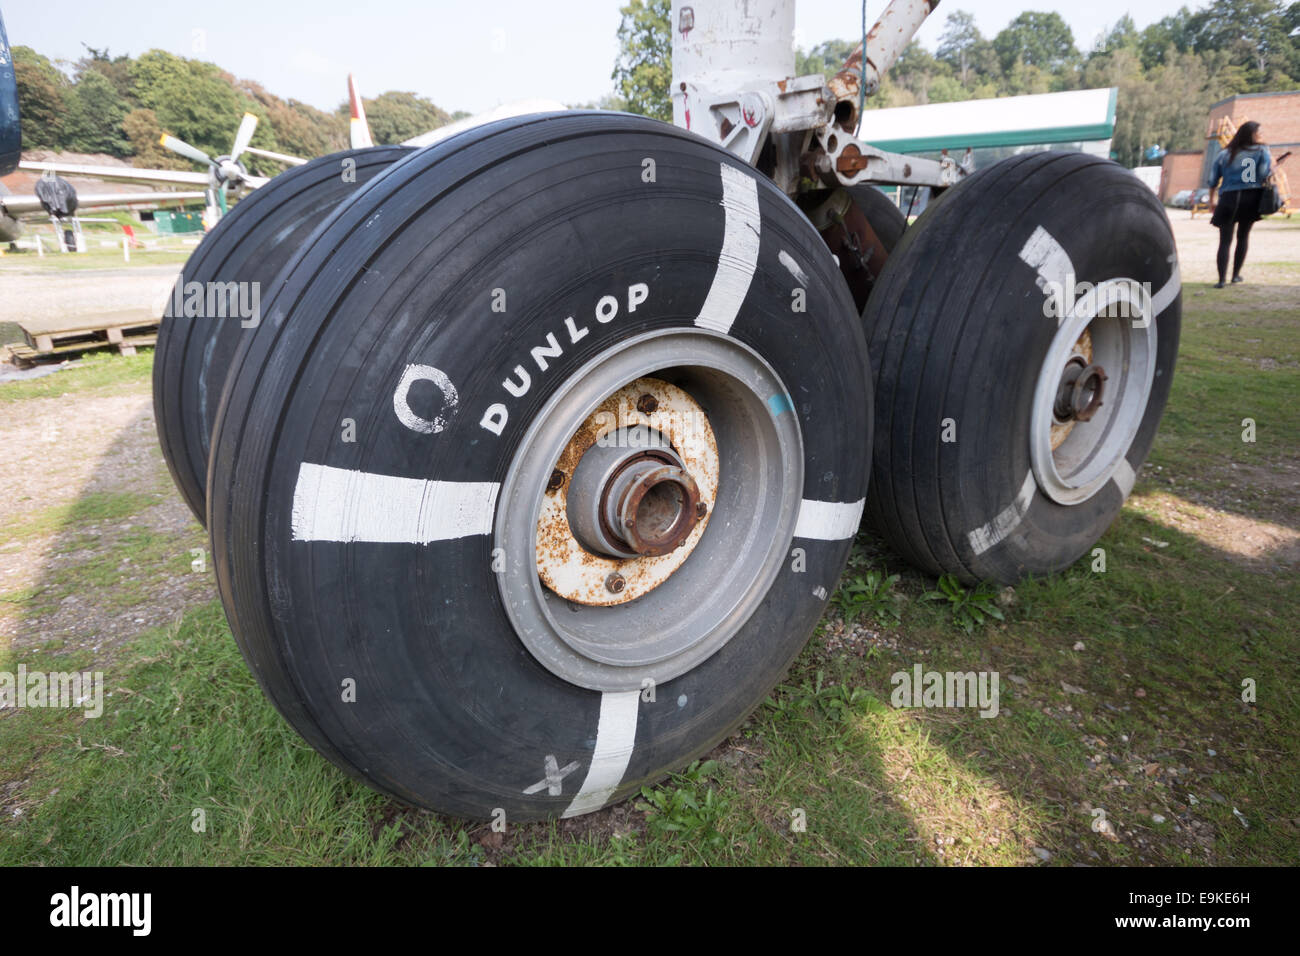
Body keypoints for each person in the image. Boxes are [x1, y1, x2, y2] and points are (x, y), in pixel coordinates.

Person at [1206, 121, 1271, 288]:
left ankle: (1221, 280)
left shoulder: (1225, 153)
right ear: (1252, 134)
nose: (1261, 135)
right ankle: (1235, 276)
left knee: (1225, 241)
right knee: (1243, 237)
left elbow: (1213, 179)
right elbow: (1264, 174)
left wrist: (1212, 199)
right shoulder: (1262, 150)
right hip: (1251, 198)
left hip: (1228, 198)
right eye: (1259, 132)